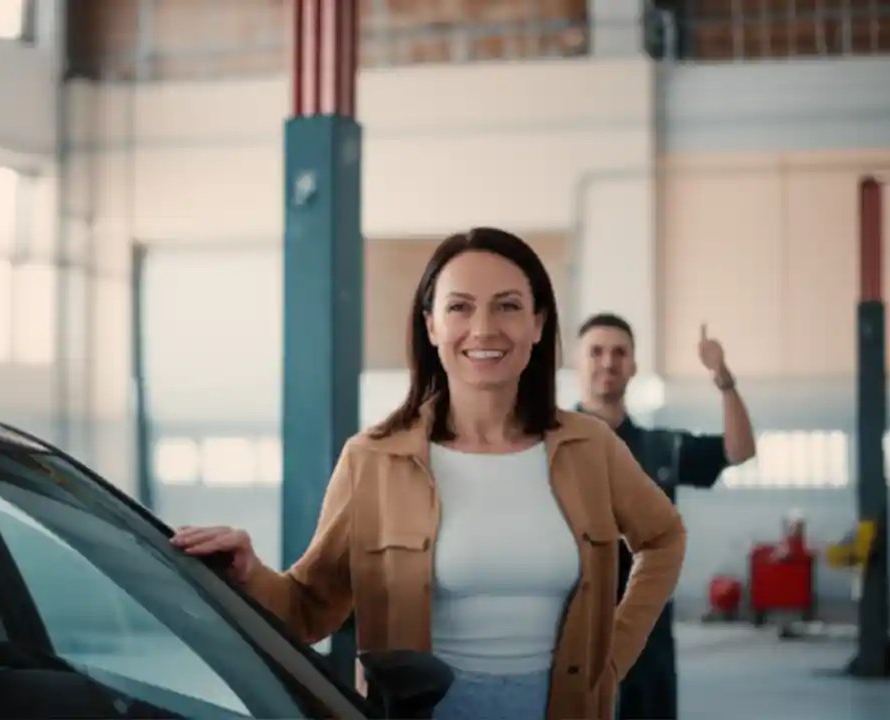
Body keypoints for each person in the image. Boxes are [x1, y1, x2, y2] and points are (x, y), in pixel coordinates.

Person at [172, 228, 687, 720]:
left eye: (507, 306)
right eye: (460, 307)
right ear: (431, 325)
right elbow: (308, 609)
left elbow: (663, 537)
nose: (484, 329)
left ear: (538, 324)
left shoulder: (591, 447)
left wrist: (613, 654)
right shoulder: (373, 460)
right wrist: (250, 573)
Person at [575, 313, 757, 720]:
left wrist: (722, 377)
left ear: (634, 366)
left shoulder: (660, 448)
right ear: (578, 363)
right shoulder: (550, 442)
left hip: (646, 633)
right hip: (570, 627)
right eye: (597, 351)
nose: (608, 362)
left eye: (619, 352)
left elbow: (739, 450)